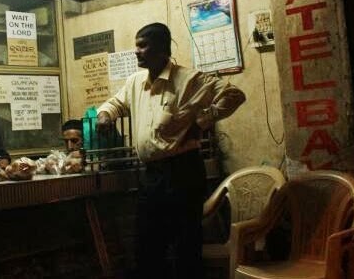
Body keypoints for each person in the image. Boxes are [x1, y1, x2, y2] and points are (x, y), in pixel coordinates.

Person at [96, 22, 245, 278]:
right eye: (136, 45)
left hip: (183, 173)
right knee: (147, 245)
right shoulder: (135, 82)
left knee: (185, 247)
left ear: (162, 49)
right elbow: (115, 103)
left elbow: (234, 94)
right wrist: (105, 117)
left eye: (143, 45)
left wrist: (202, 122)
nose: (137, 51)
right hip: (151, 175)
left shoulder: (189, 79)